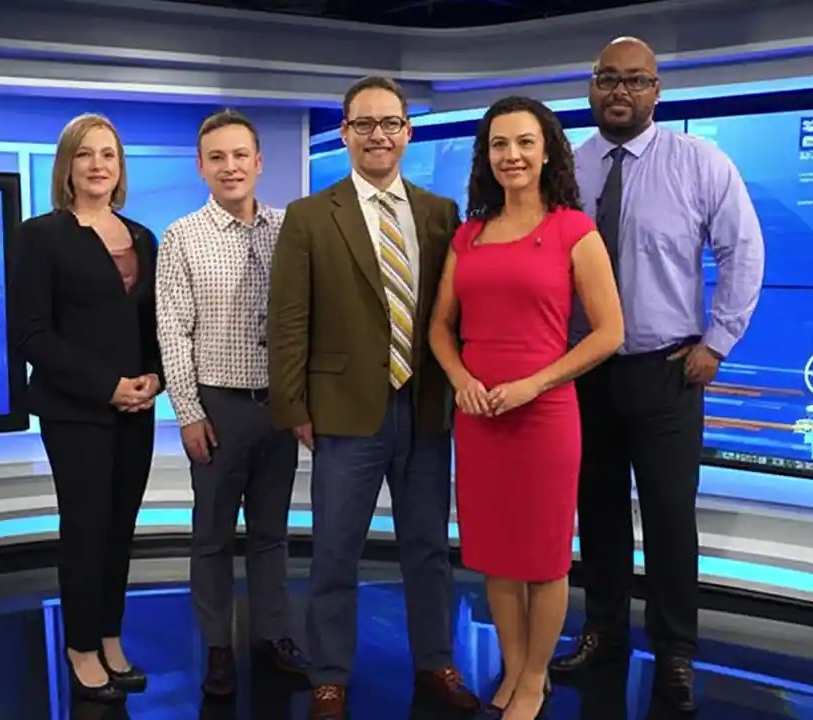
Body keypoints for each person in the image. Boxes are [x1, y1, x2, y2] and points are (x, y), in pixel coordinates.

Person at [549, 37, 764, 714]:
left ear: (656, 91)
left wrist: (718, 343)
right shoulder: (566, 170)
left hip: (667, 373)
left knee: (671, 518)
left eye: (635, 81)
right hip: (585, 373)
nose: (620, 92)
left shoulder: (699, 162)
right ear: (591, 88)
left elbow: (744, 251)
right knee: (600, 514)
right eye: (609, 79)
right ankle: (603, 633)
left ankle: (675, 653)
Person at [267, 76, 481, 720]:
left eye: (390, 123)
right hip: (342, 411)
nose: (378, 135)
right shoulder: (309, 216)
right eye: (364, 124)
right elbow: (287, 320)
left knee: (427, 549)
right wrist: (293, 406)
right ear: (345, 133)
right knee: (335, 550)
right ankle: (329, 674)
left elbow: (457, 314)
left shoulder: (441, 213)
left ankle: (436, 662)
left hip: (425, 408)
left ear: (408, 132)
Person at [429, 95, 624, 720]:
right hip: (479, 415)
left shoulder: (574, 229)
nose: (511, 155)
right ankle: (512, 670)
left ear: (547, 152)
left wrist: (534, 385)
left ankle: (535, 679)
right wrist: (460, 378)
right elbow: (440, 327)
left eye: (524, 143)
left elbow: (608, 333)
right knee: (495, 557)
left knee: (541, 558)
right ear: (486, 157)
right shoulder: (469, 233)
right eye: (499, 145)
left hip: (542, 415)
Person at [10, 113, 165, 702]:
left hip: (138, 409)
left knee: (121, 527)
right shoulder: (40, 235)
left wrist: (154, 377)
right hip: (77, 410)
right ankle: (80, 645)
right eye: (86, 154)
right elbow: (32, 335)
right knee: (85, 527)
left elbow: (154, 323)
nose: (99, 164)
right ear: (67, 167)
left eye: (109, 154)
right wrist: (107, 385)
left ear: (120, 167)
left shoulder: (144, 238)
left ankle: (109, 634)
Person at [155, 109, 309, 696]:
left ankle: (275, 634)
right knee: (213, 536)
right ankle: (219, 647)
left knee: (272, 532)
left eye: (240, 155)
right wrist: (188, 412)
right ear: (200, 167)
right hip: (218, 407)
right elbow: (173, 331)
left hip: (279, 405)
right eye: (216, 157)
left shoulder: (290, 227)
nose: (230, 167)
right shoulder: (181, 237)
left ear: (259, 162)